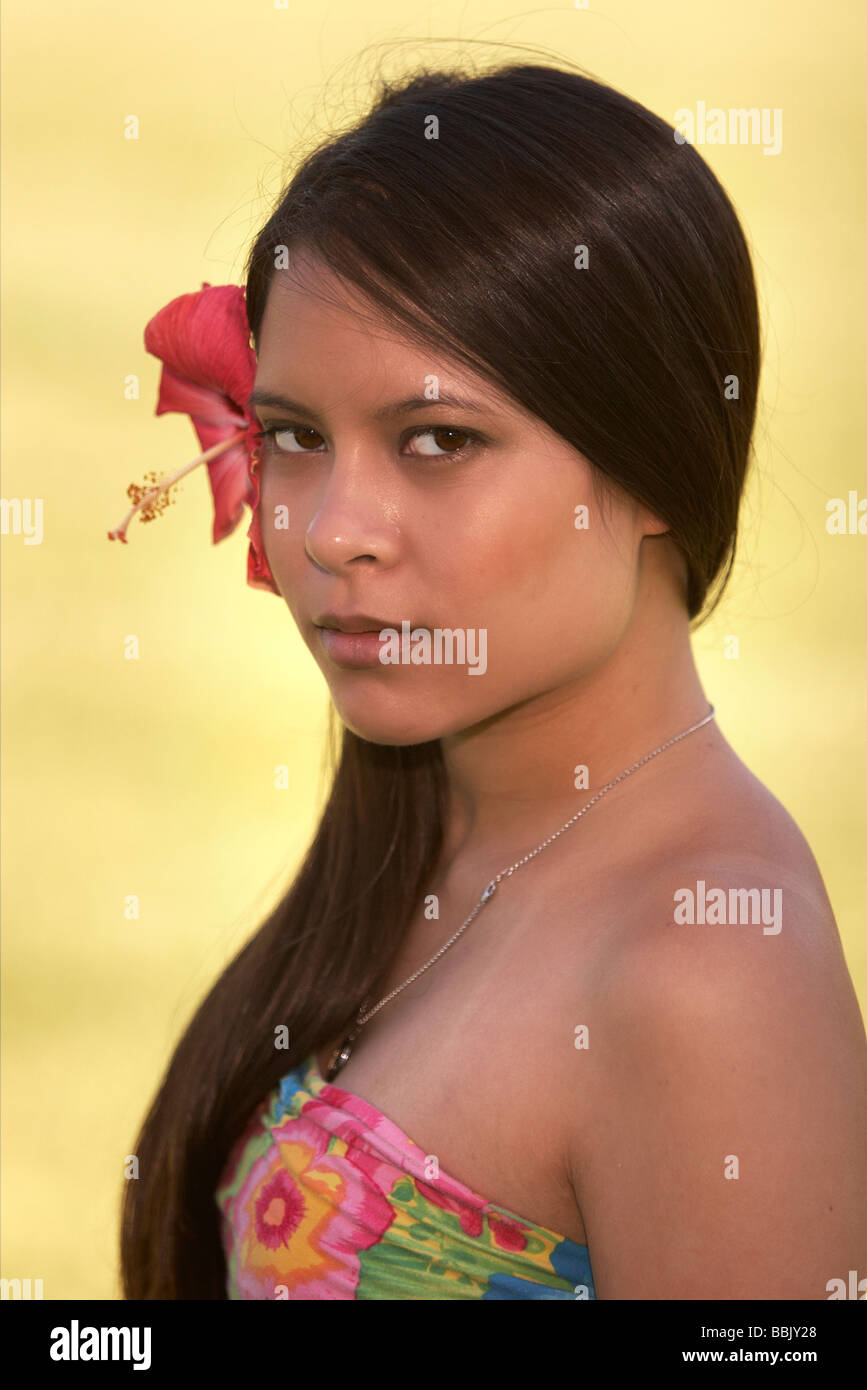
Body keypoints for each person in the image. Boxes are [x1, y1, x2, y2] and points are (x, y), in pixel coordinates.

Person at [118, 60, 867, 1300]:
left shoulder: (708, 974)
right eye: (297, 435)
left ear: (657, 469)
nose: (331, 530)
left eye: (439, 441)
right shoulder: (441, 838)